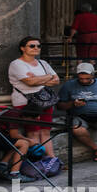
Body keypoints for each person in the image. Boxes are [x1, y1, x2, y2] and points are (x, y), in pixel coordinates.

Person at [8, 35, 59, 163]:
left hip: (45, 101)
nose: (36, 48)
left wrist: (38, 79)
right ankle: (38, 162)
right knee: (33, 133)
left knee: (46, 132)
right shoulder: (16, 64)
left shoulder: (43, 63)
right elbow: (29, 82)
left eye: (38, 46)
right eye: (32, 46)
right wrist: (47, 77)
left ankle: (52, 160)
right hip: (26, 103)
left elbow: (56, 80)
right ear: (23, 48)